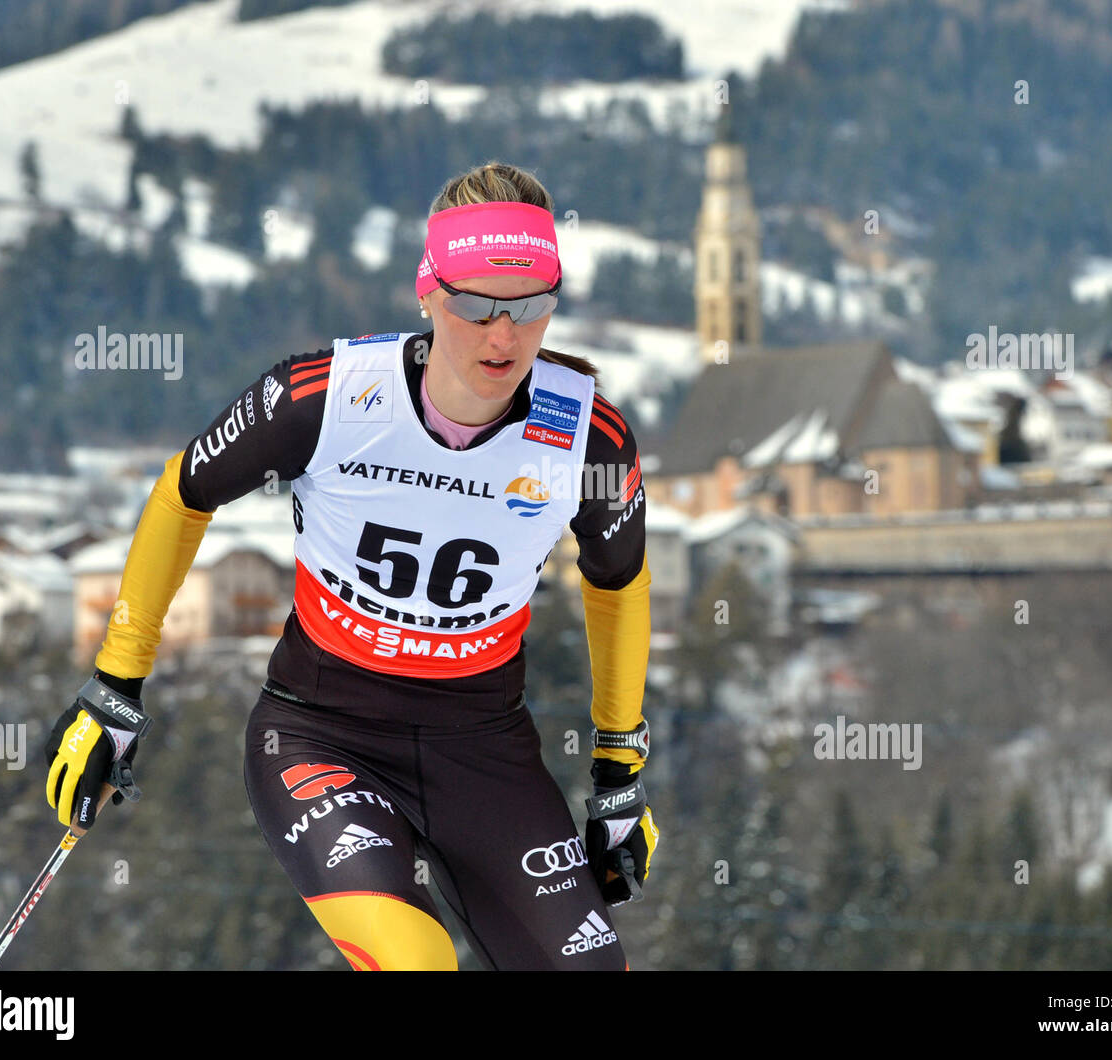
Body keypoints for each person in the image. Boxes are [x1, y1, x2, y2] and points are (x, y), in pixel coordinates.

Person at [44, 160, 658, 971]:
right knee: (417, 963)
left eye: (529, 307)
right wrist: (116, 685)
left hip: (480, 750)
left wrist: (619, 765)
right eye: (475, 306)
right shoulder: (327, 397)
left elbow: (617, 584)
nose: (503, 336)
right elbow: (181, 493)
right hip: (320, 734)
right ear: (429, 292)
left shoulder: (587, 439)